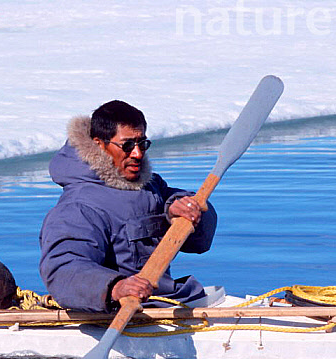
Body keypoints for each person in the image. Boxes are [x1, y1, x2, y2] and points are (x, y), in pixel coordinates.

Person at [39, 100, 217, 312]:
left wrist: (178, 208)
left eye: (142, 143)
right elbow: (63, 267)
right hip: (118, 312)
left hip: (168, 299)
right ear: (99, 144)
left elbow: (199, 242)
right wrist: (115, 287)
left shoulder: (149, 185)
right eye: (127, 145)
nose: (137, 154)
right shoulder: (78, 207)